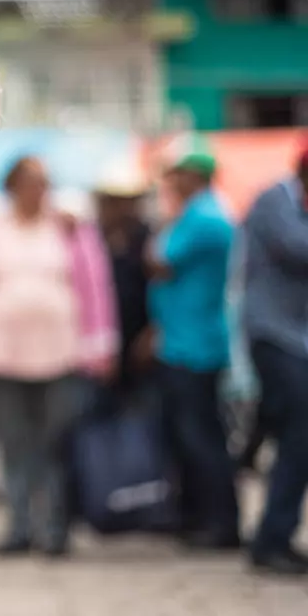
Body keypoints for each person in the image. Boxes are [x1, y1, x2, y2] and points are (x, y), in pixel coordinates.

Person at [0, 157, 116, 558]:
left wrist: (101, 343)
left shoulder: (70, 229)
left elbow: (95, 287)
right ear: (11, 188)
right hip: (4, 355)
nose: (34, 191)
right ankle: (18, 526)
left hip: (60, 354)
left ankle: (54, 528)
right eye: (26, 183)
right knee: (12, 444)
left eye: (41, 183)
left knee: (55, 444)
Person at [146, 151, 239, 549]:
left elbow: (158, 261)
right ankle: (200, 517)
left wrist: (164, 223)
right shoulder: (203, 213)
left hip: (194, 346)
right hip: (186, 341)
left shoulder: (203, 218)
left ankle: (218, 523)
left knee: (201, 439)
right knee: (194, 437)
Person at [241, 147, 308, 574]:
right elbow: (297, 249)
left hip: (299, 341)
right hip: (274, 335)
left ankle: (276, 534)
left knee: (295, 431)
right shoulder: (274, 200)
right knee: (301, 429)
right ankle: (271, 538)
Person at [93, 163, 155, 394]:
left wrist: (151, 332)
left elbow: (159, 289)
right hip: (100, 344)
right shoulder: (91, 239)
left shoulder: (147, 240)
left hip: (138, 339)